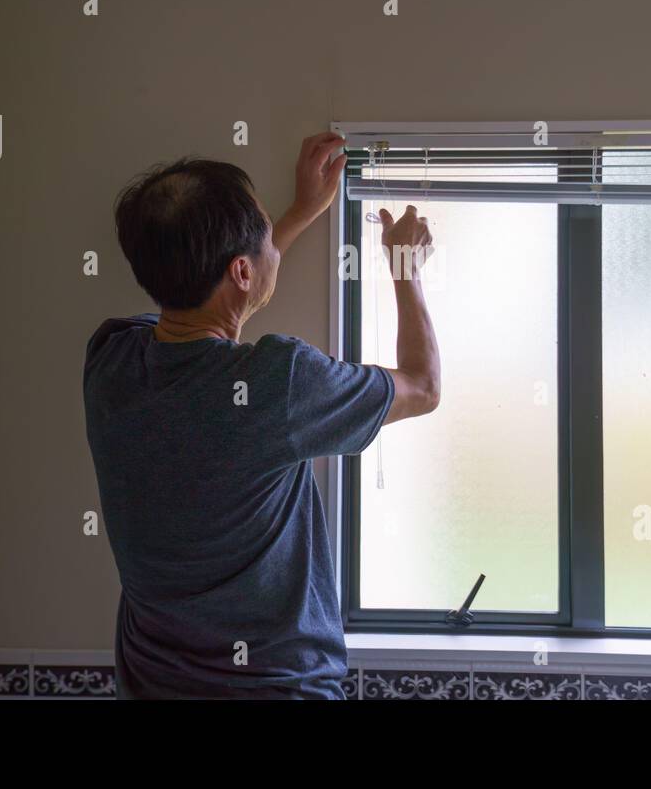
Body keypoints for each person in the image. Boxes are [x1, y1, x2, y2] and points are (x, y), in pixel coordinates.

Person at [83, 131, 440, 698]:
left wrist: (301, 212)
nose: (276, 240)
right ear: (243, 271)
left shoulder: (110, 360)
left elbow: (210, 301)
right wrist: (406, 269)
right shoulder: (281, 384)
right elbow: (422, 387)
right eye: (267, 233)